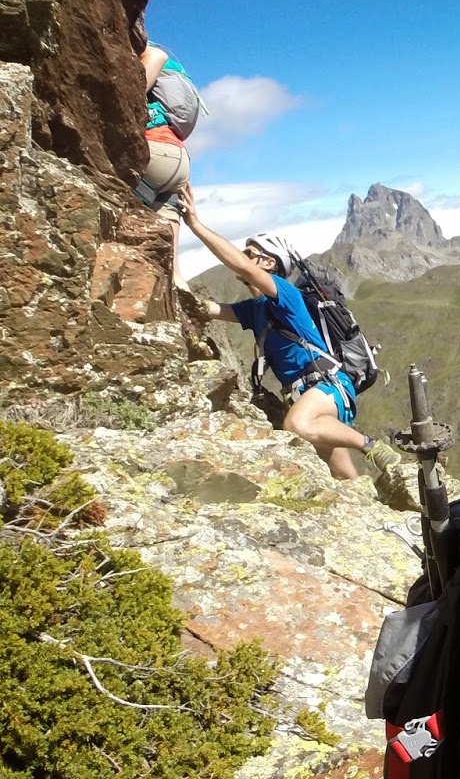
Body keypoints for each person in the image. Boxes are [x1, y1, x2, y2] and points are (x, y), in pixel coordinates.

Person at [176, 183, 397, 481]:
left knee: (296, 425)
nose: (244, 256)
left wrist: (195, 225)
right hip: (308, 395)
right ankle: (376, 510)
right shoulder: (255, 310)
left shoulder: (285, 295)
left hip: (328, 387)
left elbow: (243, 268)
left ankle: (372, 446)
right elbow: (202, 307)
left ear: (269, 263)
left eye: (251, 253)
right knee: (344, 478)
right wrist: (170, 245)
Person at [134, 35, 194, 290]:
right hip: (178, 161)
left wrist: (132, 93)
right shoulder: (178, 72)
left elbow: (157, 56)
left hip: (153, 152)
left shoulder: (152, 52)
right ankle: (177, 282)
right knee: (168, 215)